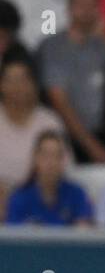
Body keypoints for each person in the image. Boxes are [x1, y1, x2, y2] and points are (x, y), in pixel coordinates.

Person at [35, 0, 105, 163]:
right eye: (80, 4)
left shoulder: (103, 49)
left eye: (92, 4)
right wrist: (91, 146)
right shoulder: (52, 47)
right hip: (63, 137)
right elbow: (59, 101)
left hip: (101, 133)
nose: (86, 10)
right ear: (69, 7)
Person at [0, 57, 64, 200]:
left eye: (23, 79)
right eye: (10, 80)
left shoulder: (50, 122)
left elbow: (63, 168)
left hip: (38, 200)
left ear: (34, 84)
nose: (16, 86)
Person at [5, 129, 92, 226]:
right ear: (35, 159)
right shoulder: (19, 197)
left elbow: (84, 234)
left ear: (64, 161)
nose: (51, 163)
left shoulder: (78, 195)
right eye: (45, 155)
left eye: (57, 156)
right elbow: (13, 237)